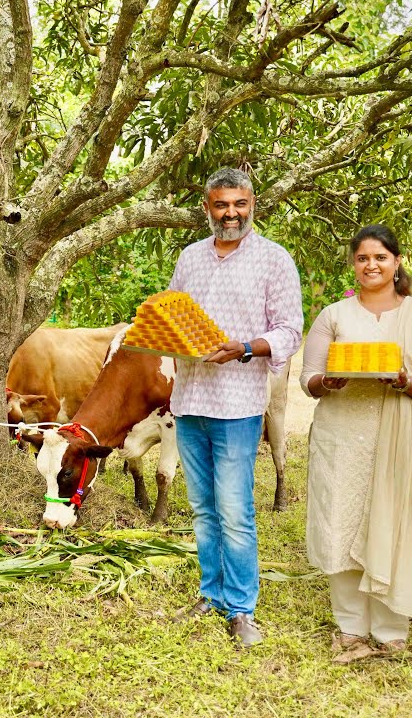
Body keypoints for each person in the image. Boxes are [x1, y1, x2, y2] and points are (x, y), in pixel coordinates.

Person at [299, 225, 412, 662]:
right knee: (340, 522)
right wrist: (327, 381)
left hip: (403, 436)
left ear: (397, 262)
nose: (372, 265)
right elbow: (307, 378)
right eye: (363, 258)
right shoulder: (334, 315)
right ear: (354, 264)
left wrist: (408, 383)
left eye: (381, 258)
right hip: (342, 436)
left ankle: (391, 627)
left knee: (401, 522)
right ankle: (349, 626)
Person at [168, 167, 303, 648]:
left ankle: (241, 608)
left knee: (235, 510)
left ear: (253, 205)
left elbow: (290, 330)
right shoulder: (189, 258)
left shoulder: (274, 259)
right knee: (203, 508)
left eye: (239, 204)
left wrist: (244, 346)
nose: (231, 213)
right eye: (221, 205)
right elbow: (173, 316)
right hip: (188, 399)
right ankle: (212, 592)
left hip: (238, 404)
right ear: (207, 208)